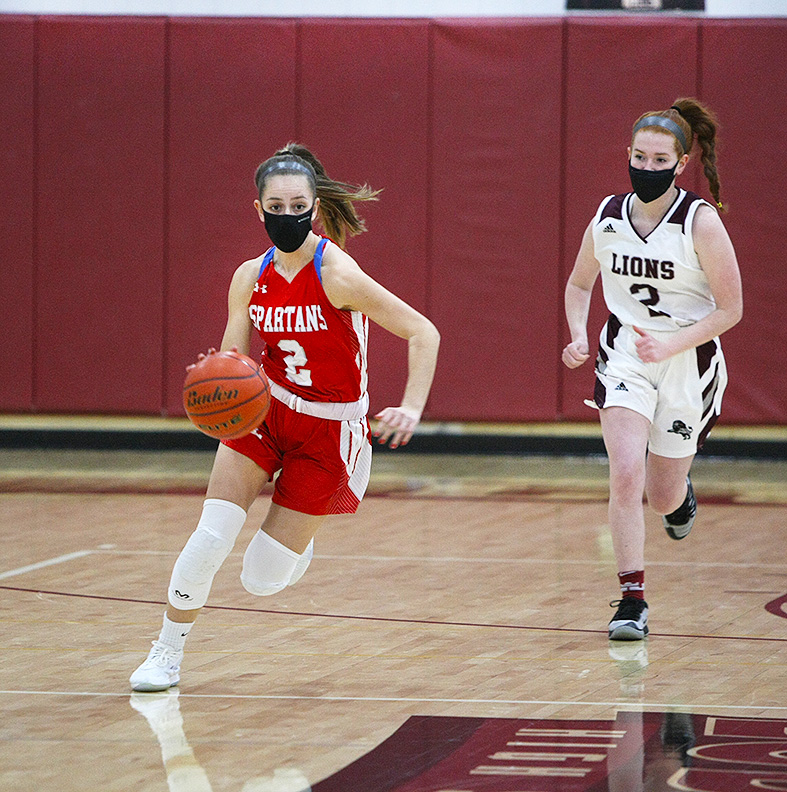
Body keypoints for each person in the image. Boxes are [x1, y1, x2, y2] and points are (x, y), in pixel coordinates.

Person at [130, 143, 440, 691]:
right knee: (211, 534)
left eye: (298, 205)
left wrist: (411, 406)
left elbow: (423, 331)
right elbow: (234, 360)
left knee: (261, 581)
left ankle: (300, 534)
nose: (287, 215)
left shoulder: (338, 273)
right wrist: (218, 391)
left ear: (314, 207)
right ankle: (166, 651)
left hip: (330, 429)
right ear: (259, 210)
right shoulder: (250, 275)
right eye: (276, 206)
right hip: (266, 415)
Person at [561, 98, 742, 641]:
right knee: (624, 475)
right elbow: (578, 284)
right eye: (639, 155)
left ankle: (680, 496)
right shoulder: (607, 216)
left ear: (680, 163)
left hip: (688, 363)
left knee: (661, 494)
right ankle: (632, 599)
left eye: (660, 159)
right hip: (624, 358)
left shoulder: (699, 222)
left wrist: (671, 344)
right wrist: (576, 334)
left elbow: (731, 309)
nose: (646, 166)